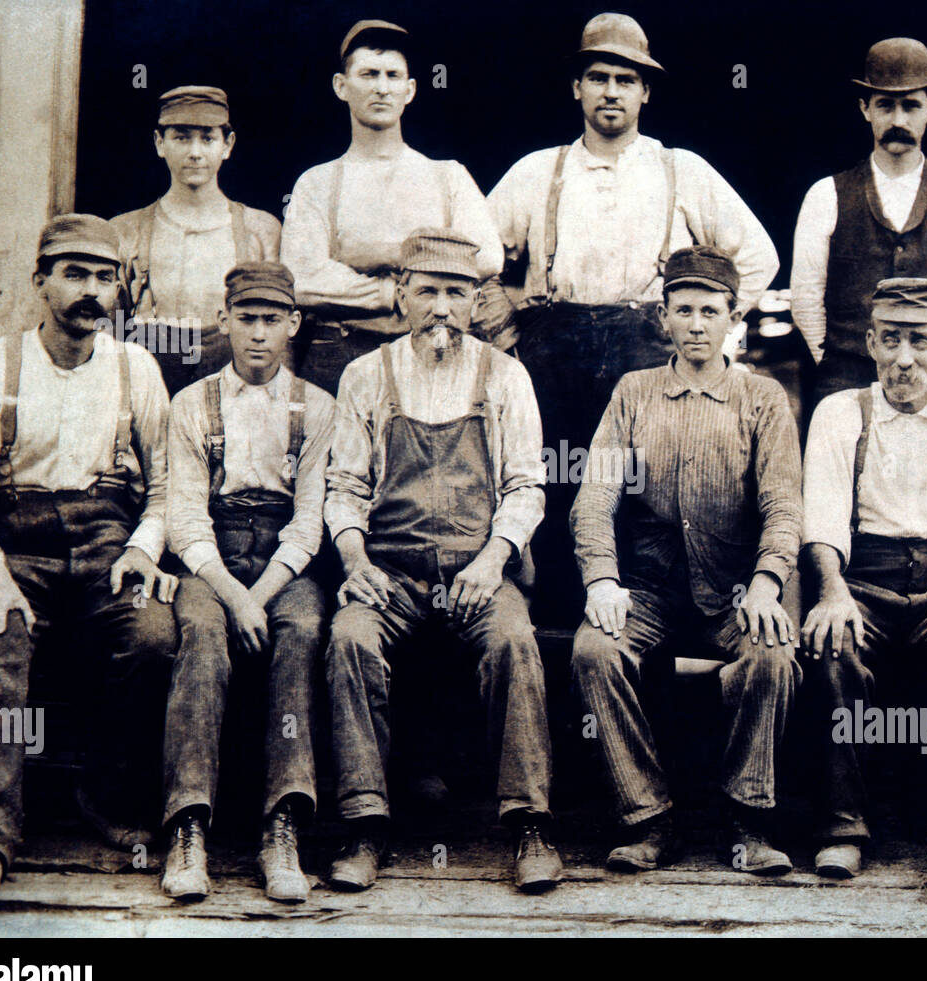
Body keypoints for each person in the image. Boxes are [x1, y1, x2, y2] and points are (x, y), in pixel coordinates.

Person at [488, 12, 778, 627]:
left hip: (647, 359)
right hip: (556, 362)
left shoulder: (680, 170)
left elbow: (758, 255)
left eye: (626, 79)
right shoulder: (539, 171)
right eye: (598, 77)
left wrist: (707, 325)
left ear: (646, 91)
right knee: (560, 489)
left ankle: (636, 632)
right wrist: (507, 323)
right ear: (577, 87)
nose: (611, 91)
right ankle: (564, 639)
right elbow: (476, 258)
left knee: (644, 499)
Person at [0, 215, 177, 921]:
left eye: (105, 278)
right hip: (18, 542)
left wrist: (143, 548)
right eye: (74, 275)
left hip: (107, 537)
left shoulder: (138, 368)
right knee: (0, 637)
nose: (91, 293)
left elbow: (166, 486)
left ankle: (104, 795)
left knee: (153, 637)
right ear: (39, 280)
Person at [322, 228, 561, 894]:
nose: (441, 309)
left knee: (515, 642)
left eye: (457, 294)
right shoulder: (366, 375)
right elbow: (343, 486)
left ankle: (529, 823)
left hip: (478, 569)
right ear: (401, 296)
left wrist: (492, 561)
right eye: (426, 291)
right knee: (348, 639)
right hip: (391, 571)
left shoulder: (505, 376)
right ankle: (365, 821)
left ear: (477, 300)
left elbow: (526, 487)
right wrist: (353, 560)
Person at [569, 247, 802, 874]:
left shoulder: (763, 398)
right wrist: (602, 579)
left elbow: (784, 505)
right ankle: (647, 817)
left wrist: (765, 584)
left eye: (710, 311)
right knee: (595, 650)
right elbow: (594, 498)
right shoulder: (634, 392)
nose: (697, 324)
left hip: (733, 589)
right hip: (647, 587)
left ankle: (747, 819)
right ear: (663, 319)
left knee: (772, 656)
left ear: (733, 318)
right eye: (683, 311)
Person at [800, 278, 927, 893]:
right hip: (864, 577)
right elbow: (823, 524)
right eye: (890, 340)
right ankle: (843, 825)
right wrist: (833, 593)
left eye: (920, 342)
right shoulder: (842, 413)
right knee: (834, 646)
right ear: (869, 343)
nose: (904, 359)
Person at [160, 263, 335, 904]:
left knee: (305, 628)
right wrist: (233, 596)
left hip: (285, 563)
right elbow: (183, 518)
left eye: (271, 320)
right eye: (246, 319)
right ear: (224, 320)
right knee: (201, 633)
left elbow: (311, 521)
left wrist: (260, 596)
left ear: (293, 325)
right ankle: (189, 827)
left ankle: (280, 824)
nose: (258, 334)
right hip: (211, 558)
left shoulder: (317, 408)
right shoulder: (191, 404)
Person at [280, 19, 503, 395]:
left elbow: (487, 258)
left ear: (410, 89)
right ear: (341, 86)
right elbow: (302, 280)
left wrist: (365, 270)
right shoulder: (317, 183)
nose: (382, 88)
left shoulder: (446, 176)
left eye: (392, 76)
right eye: (368, 74)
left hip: (430, 351)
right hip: (339, 353)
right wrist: (395, 294)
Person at [790, 38, 927, 409]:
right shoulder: (826, 194)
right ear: (865, 109)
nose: (898, 120)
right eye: (886, 105)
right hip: (847, 384)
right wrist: (837, 364)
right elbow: (805, 300)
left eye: (911, 106)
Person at [111, 86, 282, 397]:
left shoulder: (260, 229)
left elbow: (277, 330)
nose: (195, 152)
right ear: (159, 143)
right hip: (148, 383)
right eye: (181, 136)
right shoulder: (125, 231)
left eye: (207, 138)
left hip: (233, 384)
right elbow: (107, 332)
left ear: (227, 144)